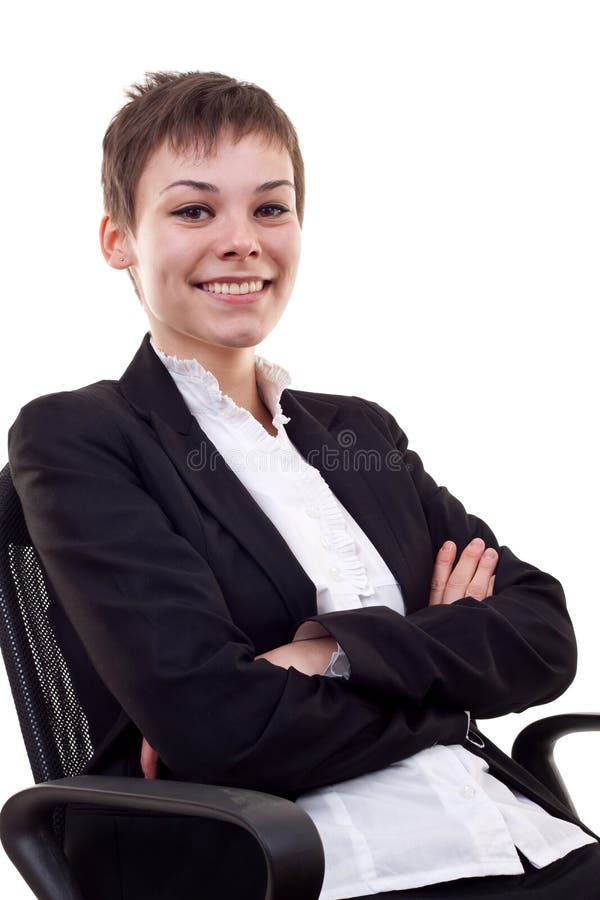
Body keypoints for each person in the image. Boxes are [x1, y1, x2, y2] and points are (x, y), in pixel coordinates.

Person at [6, 70, 600, 900]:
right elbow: (218, 726)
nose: (242, 239)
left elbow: (542, 632)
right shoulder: (82, 437)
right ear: (119, 240)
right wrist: (444, 675)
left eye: (271, 207)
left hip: (532, 841)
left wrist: (327, 653)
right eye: (193, 209)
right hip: (323, 870)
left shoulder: (357, 432)